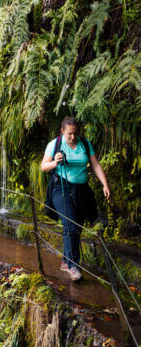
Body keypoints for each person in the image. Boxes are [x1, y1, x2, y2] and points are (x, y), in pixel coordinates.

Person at [41, 116, 110, 281]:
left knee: (76, 228)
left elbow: (95, 164)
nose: (73, 137)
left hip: (81, 190)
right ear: (63, 131)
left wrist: (105, 184)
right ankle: (73, 267)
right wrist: (55, 163)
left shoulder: (84, 144)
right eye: (70, 134)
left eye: (75, 133)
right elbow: (44, 166)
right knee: (70, 225)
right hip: (61, 187)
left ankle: (66, 261)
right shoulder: (55, 144)